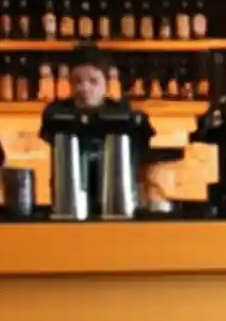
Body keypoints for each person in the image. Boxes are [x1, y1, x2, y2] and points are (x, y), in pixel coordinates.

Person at [39, 48, 155, 209]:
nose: (84, 88)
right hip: (68, 200)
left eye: (93, 81)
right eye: (77, 81)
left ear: (107, 84)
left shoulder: (125, 115)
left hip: (119, 200)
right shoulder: (56, 113)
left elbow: (142, 160)